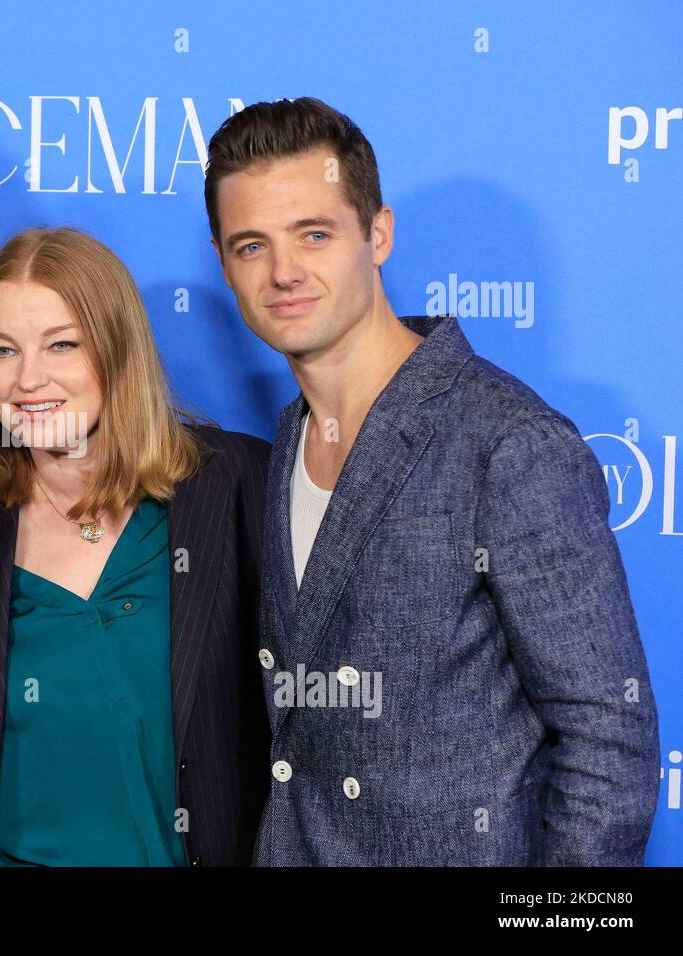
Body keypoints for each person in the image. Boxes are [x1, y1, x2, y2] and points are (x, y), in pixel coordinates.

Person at [204, 96, 660, 865]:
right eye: (251, 246)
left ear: (377, 234)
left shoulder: (508, 444)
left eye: (314, 234)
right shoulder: (288, 437)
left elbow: (609, 744)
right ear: (224, 263)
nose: (283, 272)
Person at [0, 226, 271, 866]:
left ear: (117, 350)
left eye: (61, 345)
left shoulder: (234, 486)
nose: (28, 380)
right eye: (1, 351)